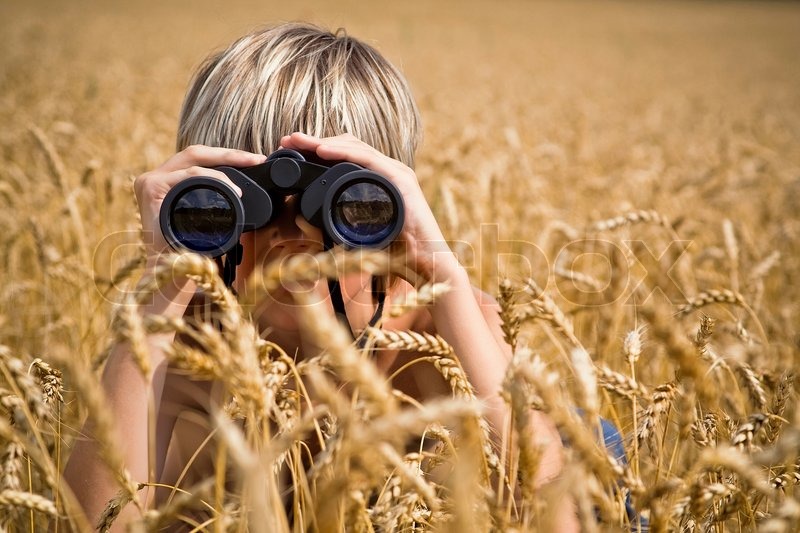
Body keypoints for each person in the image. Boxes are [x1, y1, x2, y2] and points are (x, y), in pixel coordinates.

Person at [64, 22, 574, 530]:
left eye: (344, 203)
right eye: (237, 205)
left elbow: (556, 519)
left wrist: (445, 274)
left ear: (392, 205)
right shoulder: (184, 347)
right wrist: (160, 291)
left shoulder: (445, 330)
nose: (291, 234)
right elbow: (93, 524)